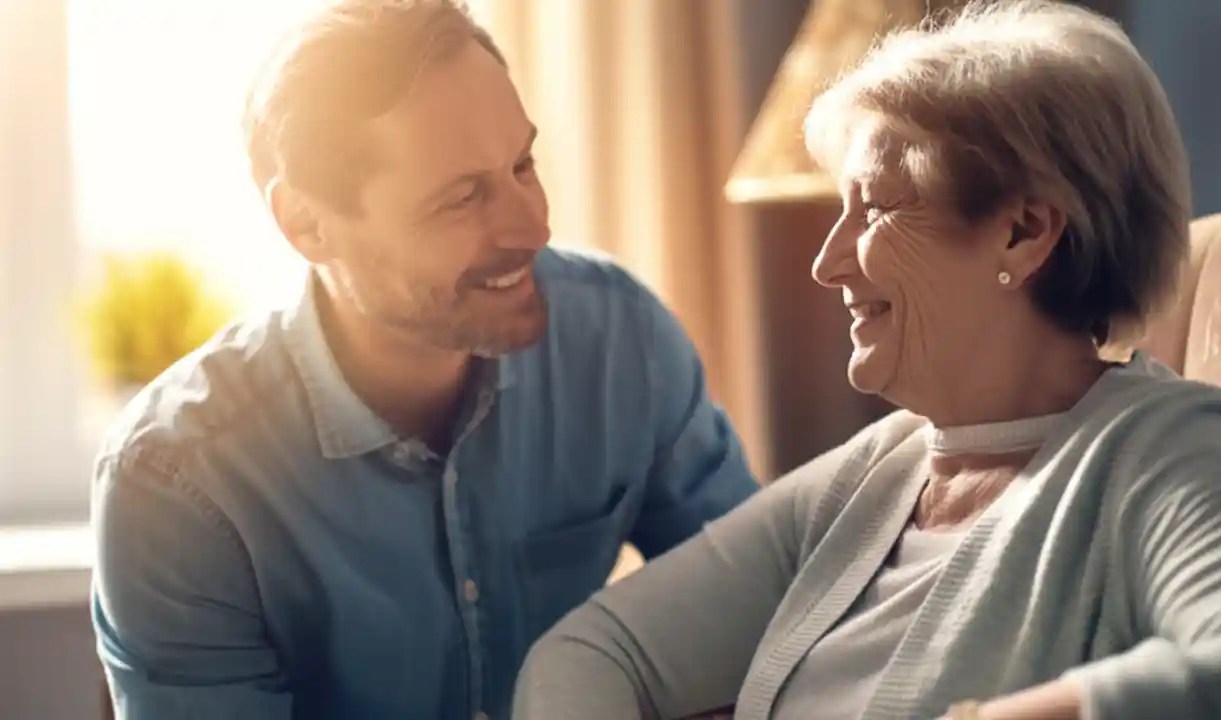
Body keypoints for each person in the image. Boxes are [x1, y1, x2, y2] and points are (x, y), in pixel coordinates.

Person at [513, 2, 1221, 719]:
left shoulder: (1167, 452)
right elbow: (591, 652)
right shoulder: (874, 475)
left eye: (876, 208)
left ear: (1023, 232)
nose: (827, 263)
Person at [89, 2, 758, 718]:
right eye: (462, 198)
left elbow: (756, 612)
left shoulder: (618, 340)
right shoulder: (179, 482)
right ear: (307, 224)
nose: (533, 226)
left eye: (523, 165)